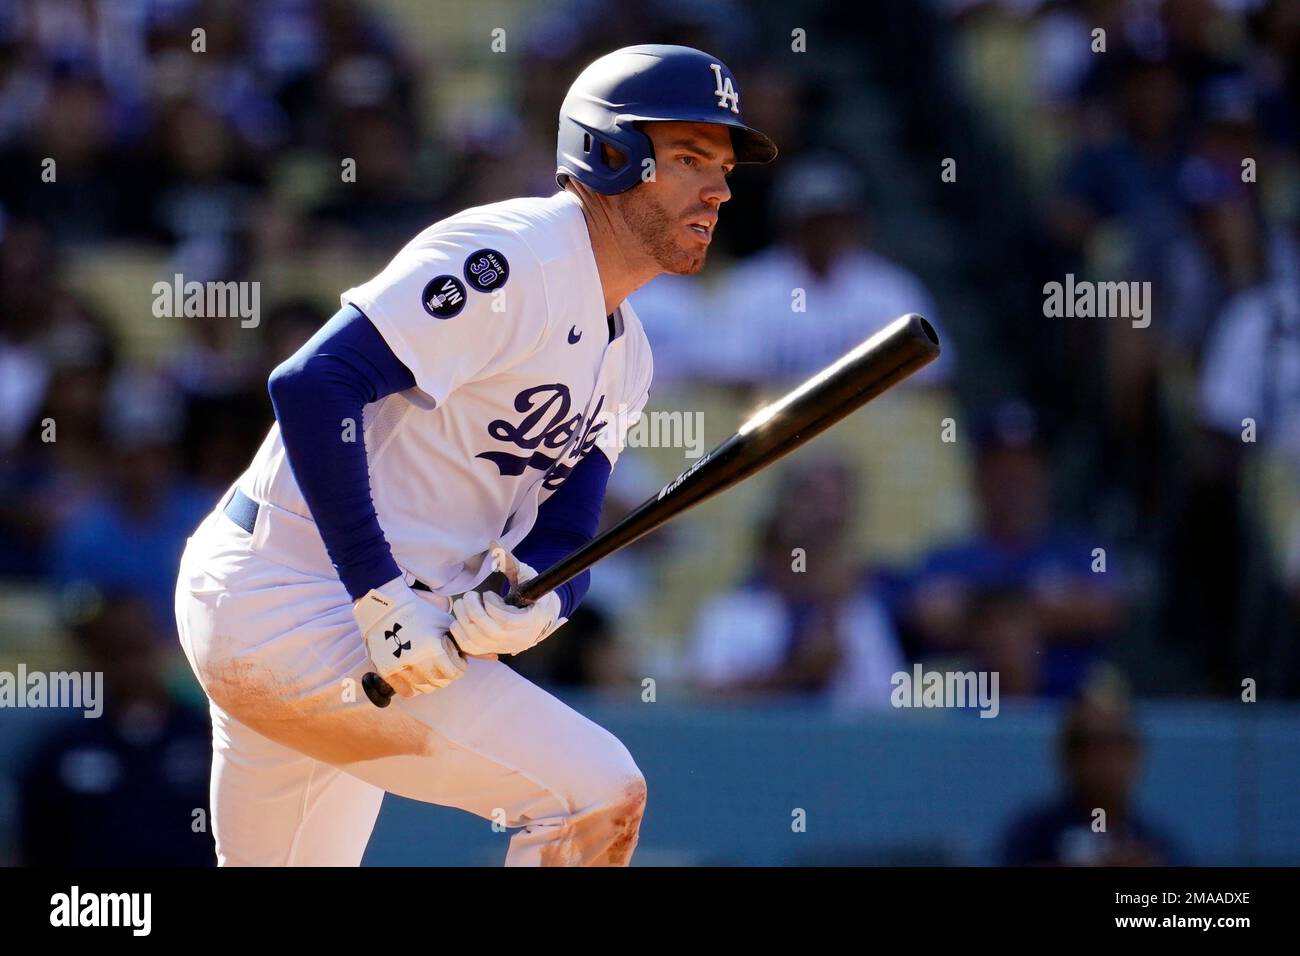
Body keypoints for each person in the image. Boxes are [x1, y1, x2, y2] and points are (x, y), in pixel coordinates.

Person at [173, 44, 777, 866]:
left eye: (724, 165)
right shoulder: (516, 253)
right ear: (609, 154)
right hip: (300, 595)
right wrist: (380, 594)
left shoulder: (627, 352)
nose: (720, 187)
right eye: (688, 158)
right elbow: (314, 384)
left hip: (355, 628)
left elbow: (566, 529)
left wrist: (536, 601)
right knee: (595, 793)